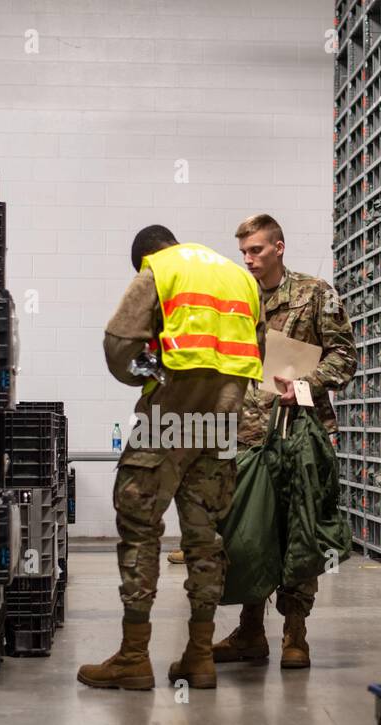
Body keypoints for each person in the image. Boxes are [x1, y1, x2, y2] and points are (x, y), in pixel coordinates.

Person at [77, 226, 264, 691]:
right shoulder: (240, 278)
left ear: (145, 255)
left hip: (170, 419)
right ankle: (200, 657)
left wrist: (151, 372)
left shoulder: (158, 269)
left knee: (140, 527)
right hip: (221, 424)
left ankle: (134, 658)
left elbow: (119, 344)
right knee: (205, 538)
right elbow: (255, 347)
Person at [210, 213, 357, 669]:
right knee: (248, 534)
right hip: (247, 436)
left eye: (255, 249)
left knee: (301, 530)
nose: (248, 259)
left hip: (299, 433)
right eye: (243, 252)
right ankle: (251, 632)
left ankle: (296, 633)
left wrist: (306, 385)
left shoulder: (314, 293)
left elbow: (346, 357)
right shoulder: (237, 299)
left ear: (279, 247)